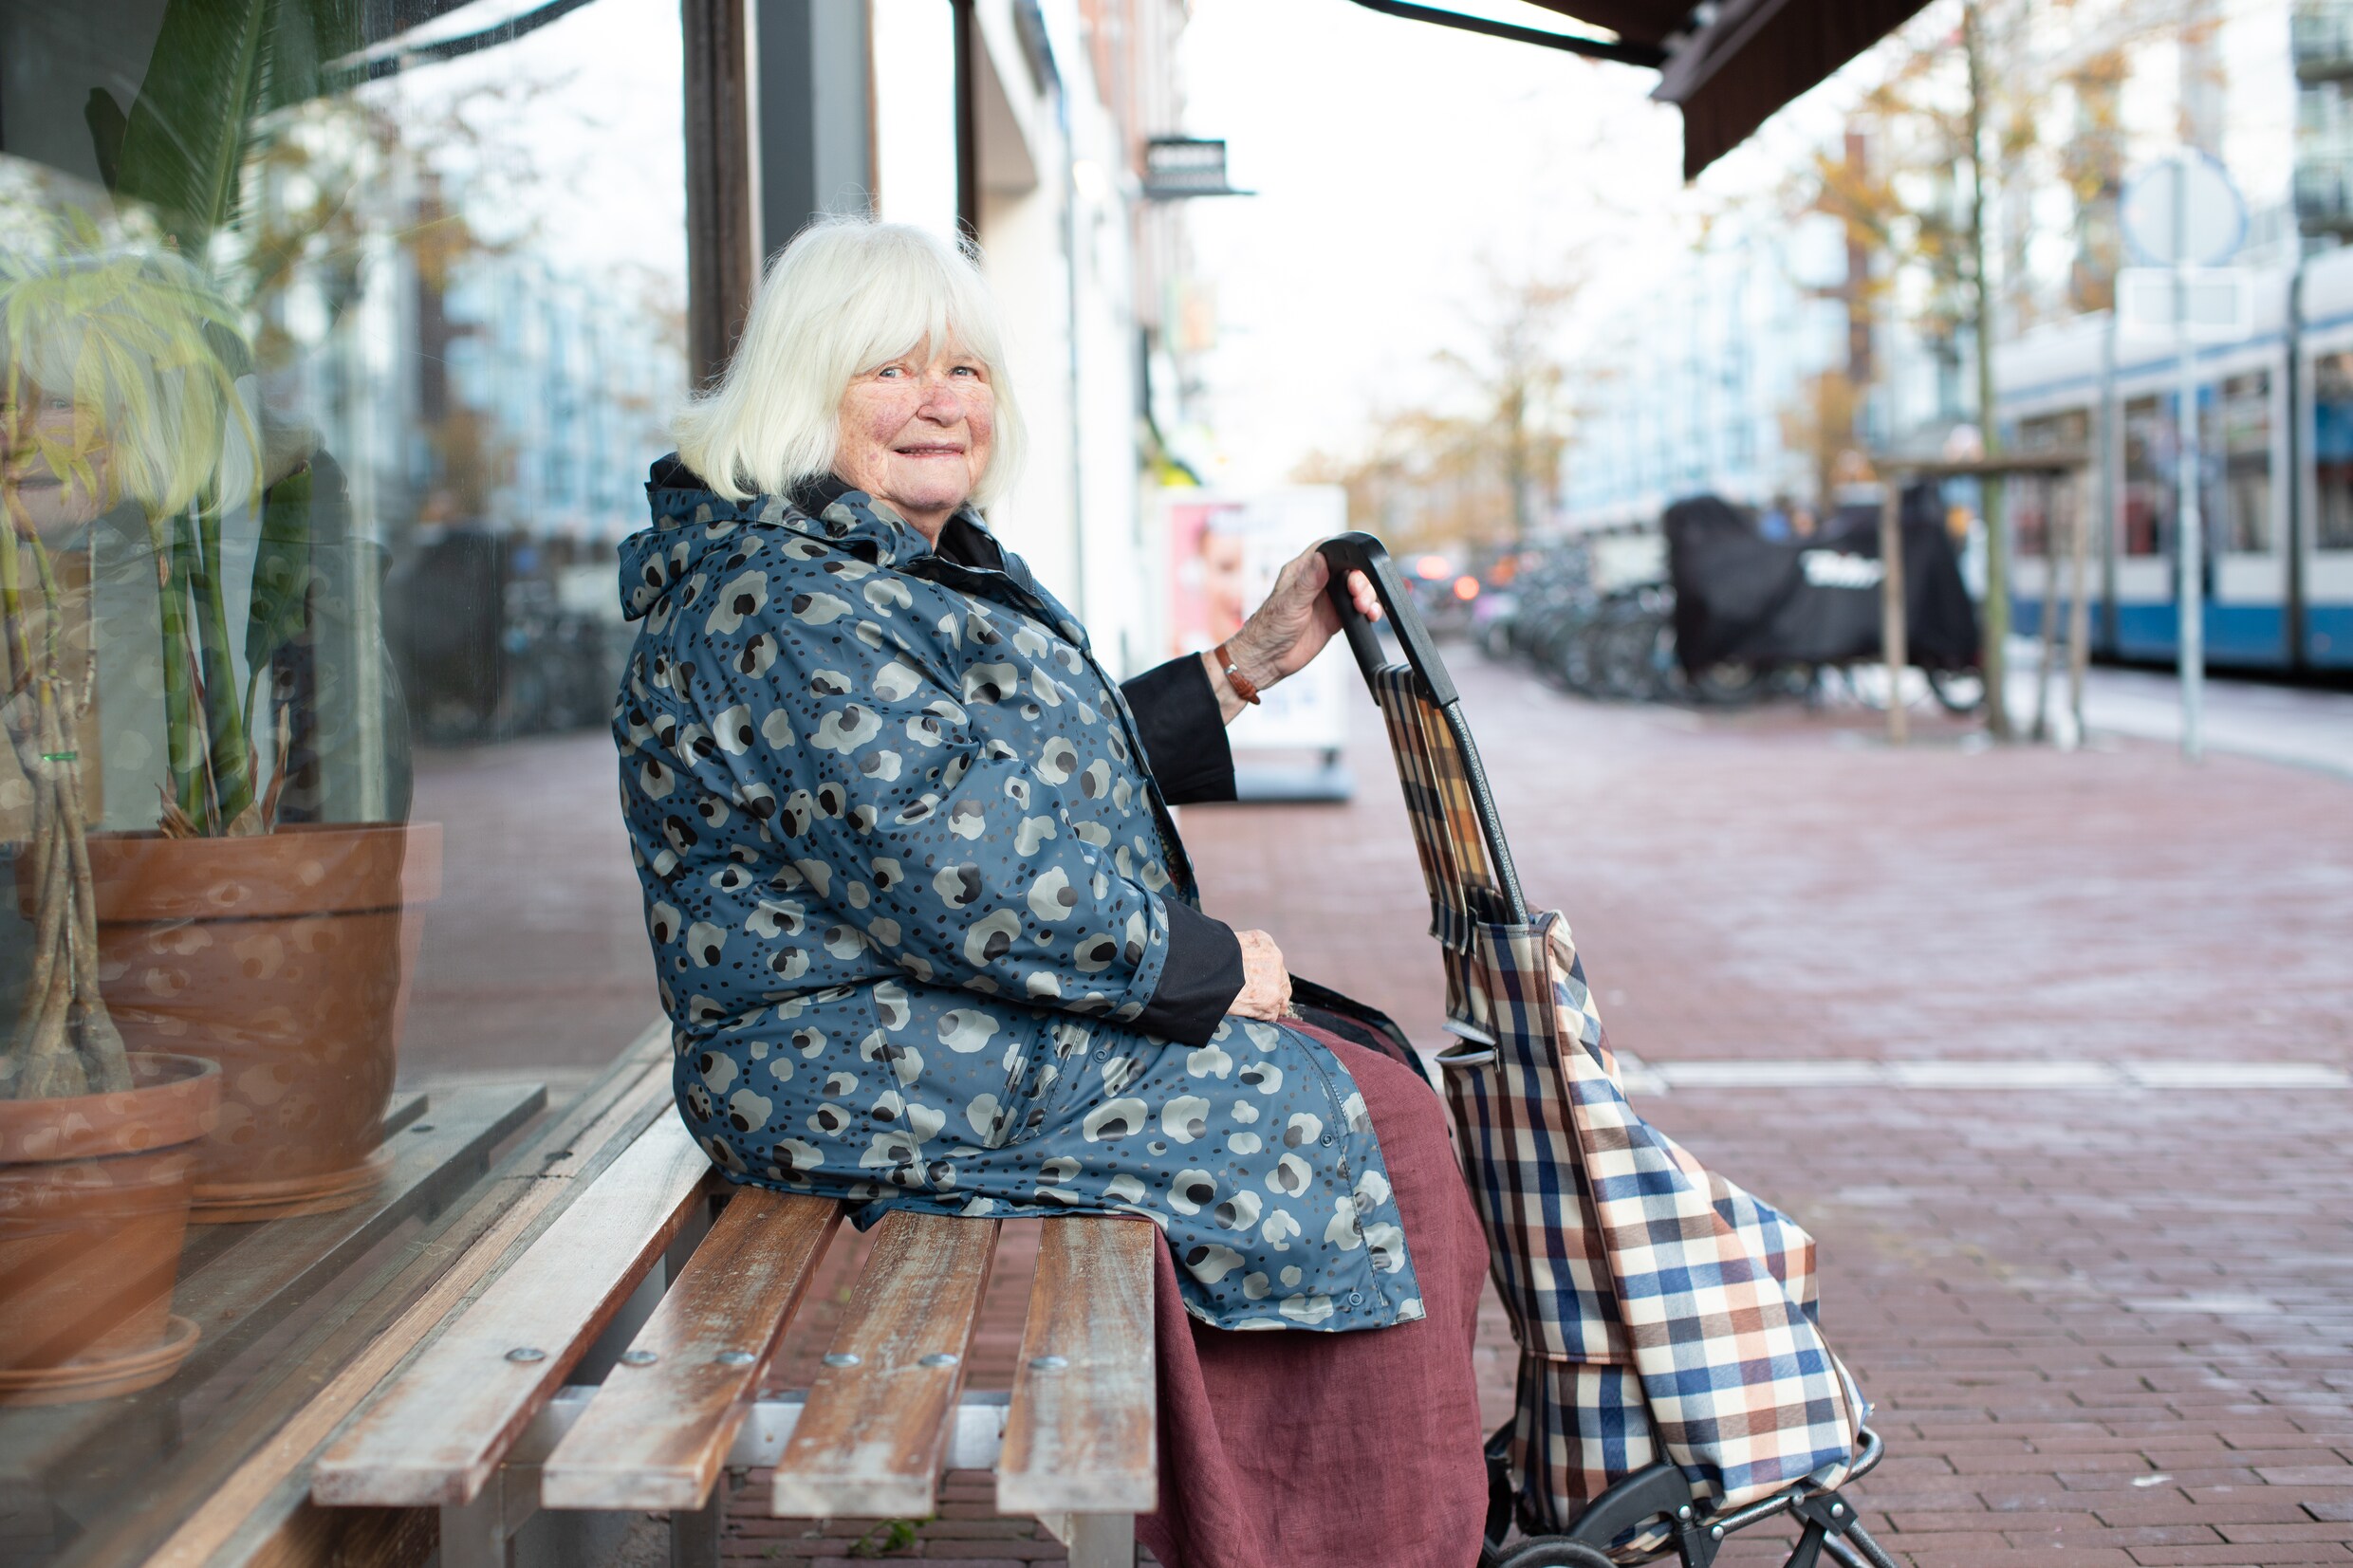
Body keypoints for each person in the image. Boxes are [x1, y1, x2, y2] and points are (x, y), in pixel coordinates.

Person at [613, 218, 1488, 1568]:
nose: (941, 399)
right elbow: (962, 877)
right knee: (1347, 1111)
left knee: (1350, 1076)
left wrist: (1243, 666)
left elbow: (999, 783)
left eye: (963, 366)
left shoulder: (867, 564)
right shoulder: (785, 600)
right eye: (889, 368)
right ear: (801, 384)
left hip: (891, 1024)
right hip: (833, 1050)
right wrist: (1197, 965)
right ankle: (1337, 1537)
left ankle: (1297, 1524)